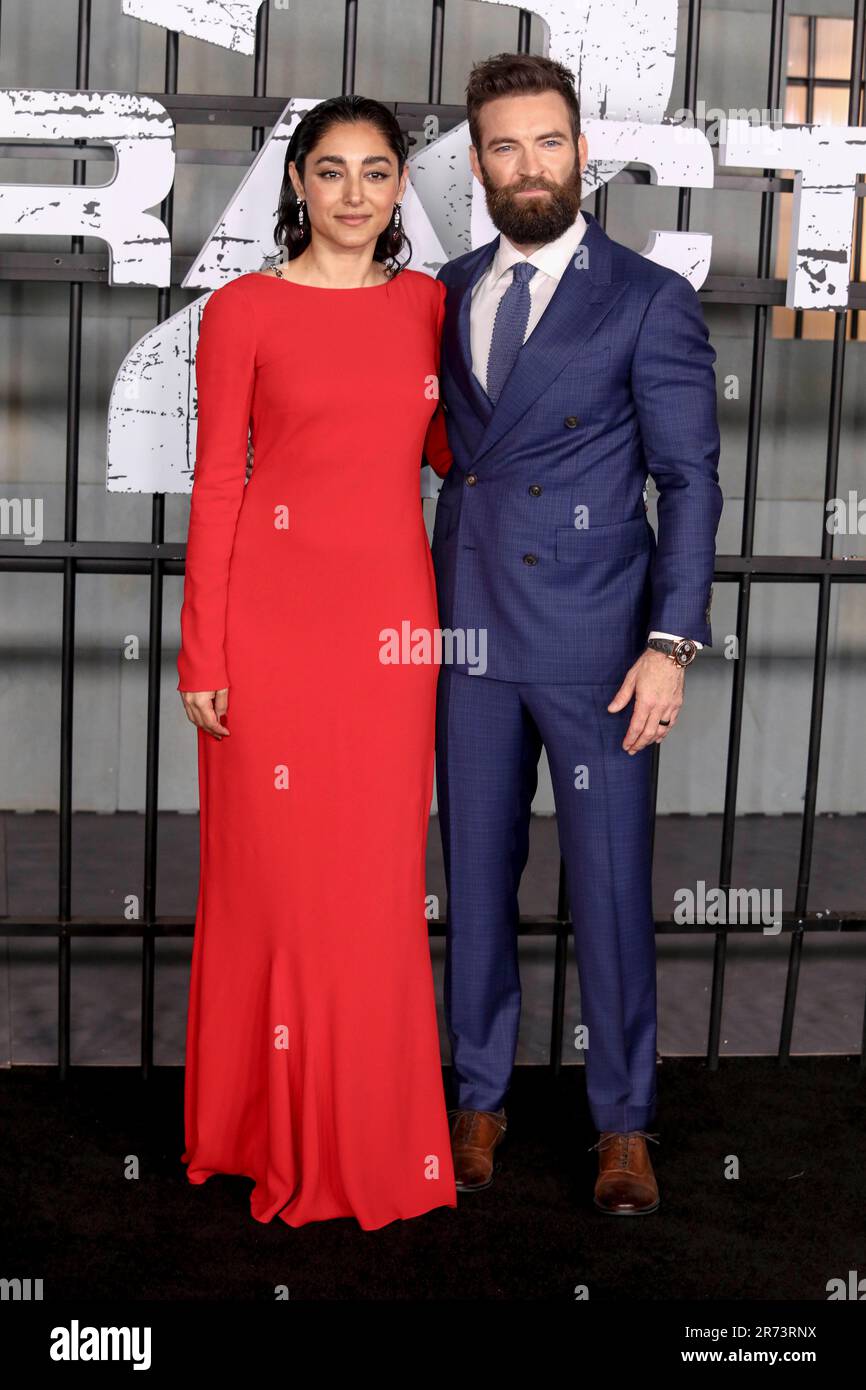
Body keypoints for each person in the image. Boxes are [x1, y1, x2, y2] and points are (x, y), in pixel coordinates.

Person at [432, 53, 723, 1213]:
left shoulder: (646, 296)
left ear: (580, 152)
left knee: (606, 887)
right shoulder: (445, 288)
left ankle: (622, 1122)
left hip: (602, 644)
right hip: (467, 643)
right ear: (476, 161)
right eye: (503, 146)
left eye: (546, 142)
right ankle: (477, 1095)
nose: (527, 165)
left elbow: (688, 481)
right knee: (473, 877)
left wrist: (672, 640)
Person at [177, 95, 456, 1230]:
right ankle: (263, 1129)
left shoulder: (435, 310)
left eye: (375, 171)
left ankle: (367, 1135)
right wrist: (206, 645)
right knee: (275, 888)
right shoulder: (240, 310)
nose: (352, 193)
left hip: (391, 635)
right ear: (295, 182)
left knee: (372, 889)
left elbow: (460, 454)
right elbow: (218, 485)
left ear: (400, 189)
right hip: (271, 631)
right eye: (329, 170)